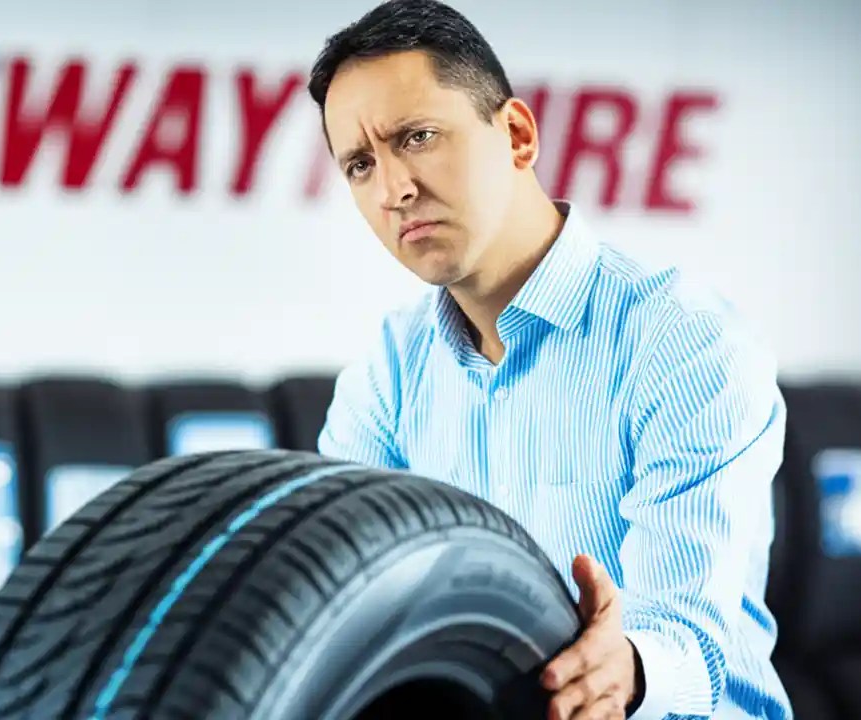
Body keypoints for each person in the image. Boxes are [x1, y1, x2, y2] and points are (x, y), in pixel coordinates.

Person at [308, 2, 792, 719]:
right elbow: (338, 602)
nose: (393, 190)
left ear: (517, 134)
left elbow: (694, 637)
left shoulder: (684, 342)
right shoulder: (388, 370)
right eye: (360, 164)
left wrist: (624, 667)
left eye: (418, 137)